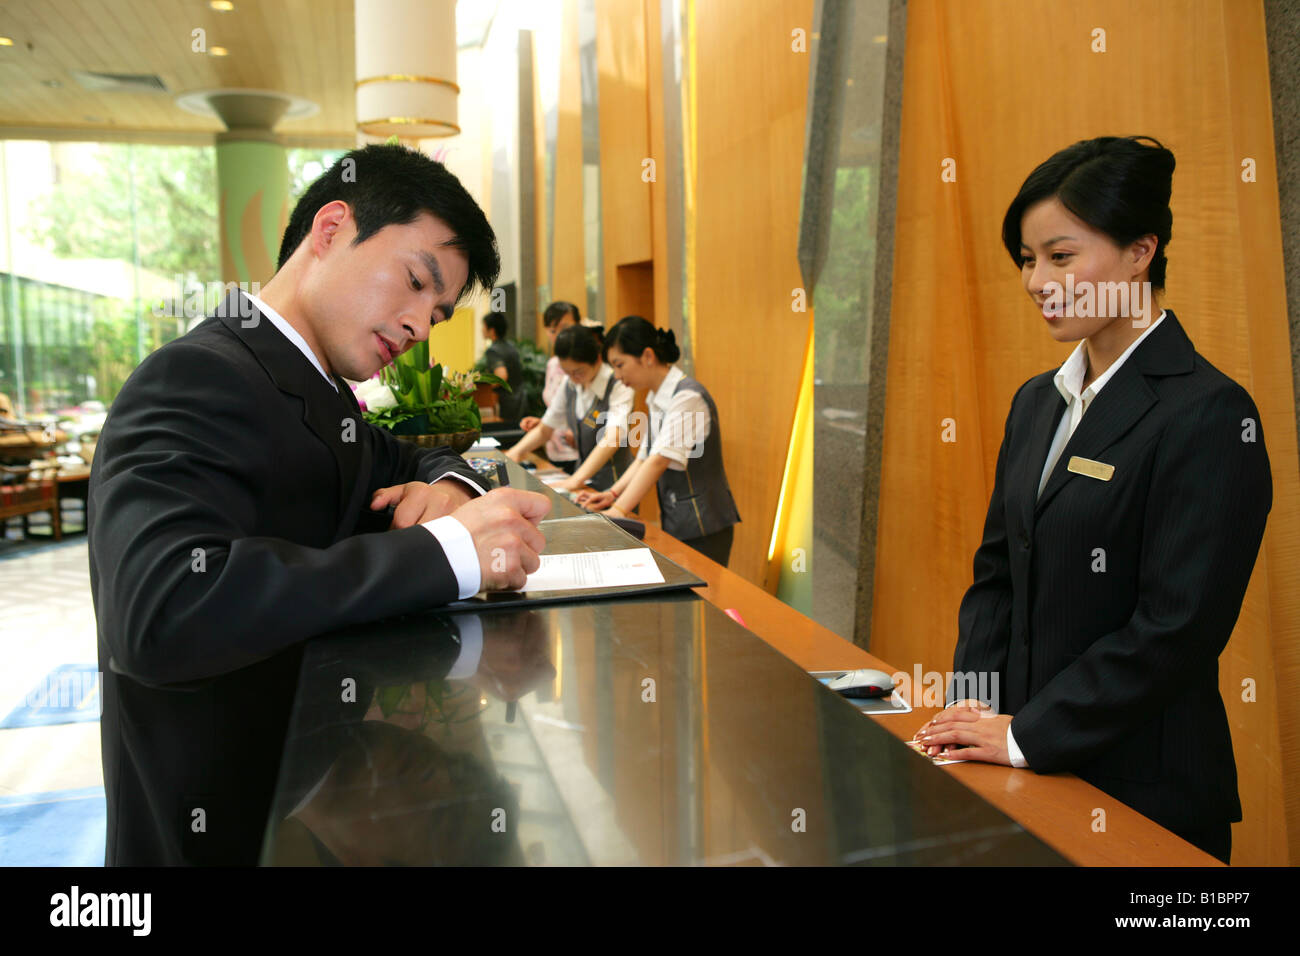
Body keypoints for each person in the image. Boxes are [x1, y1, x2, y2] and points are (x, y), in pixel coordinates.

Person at [87, 143, 551, 866]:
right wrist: (453, 550)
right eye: (414, 282)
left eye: (437, 311)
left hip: (305, 802)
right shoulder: (194, 375)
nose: (422, 326)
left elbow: (413, 457)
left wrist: (451, 489)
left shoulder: (320, 393)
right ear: (331, 229)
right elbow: (162, 609)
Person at [915, 136, 1272, 865]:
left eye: (1061, 255)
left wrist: (1025, 735)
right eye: (1026, 259)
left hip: (1140, 793)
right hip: (1015, 772)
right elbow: (996, 576)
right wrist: (976, 707)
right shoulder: (1036, 402)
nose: (1037, 280)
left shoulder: (1208, 413)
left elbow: (1177, 628)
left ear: (1141, 252)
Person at [576, 315, 741, 566]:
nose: (617, 375)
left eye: (620, 365)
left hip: (705, 526)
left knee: (705, 602)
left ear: (648, 357)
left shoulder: (688, 397)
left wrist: (618, 512)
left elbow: (658, 460)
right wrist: (612, 494)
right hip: (680, 520)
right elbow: (644, 457)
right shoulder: (656, 398)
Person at [505, 324, 634, 492]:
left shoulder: (618, 385)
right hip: (583, 482)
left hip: (614, 485)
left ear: (597, 359)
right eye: (568, 372)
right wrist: (514, 453)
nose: (573, 377)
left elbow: (612, 438)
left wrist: (576, 480)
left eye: (578, 372)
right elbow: (545, 428)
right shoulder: (571, 383)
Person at [519, 300, 581, 473]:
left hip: (579, 454)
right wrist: (542, 422)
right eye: (553, 330)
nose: (559, 334)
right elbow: (558, 409)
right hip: (554, 451)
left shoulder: (584, 366)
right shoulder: (553, 364)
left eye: (565, 327)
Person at [482, 311, 525, 423]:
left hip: (505, 404)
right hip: (520, 401)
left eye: (484, 326)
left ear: (491, 331)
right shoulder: (511, 347)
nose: (482, 329)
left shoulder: (493, 351)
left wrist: (483, 389)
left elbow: (501, 376)